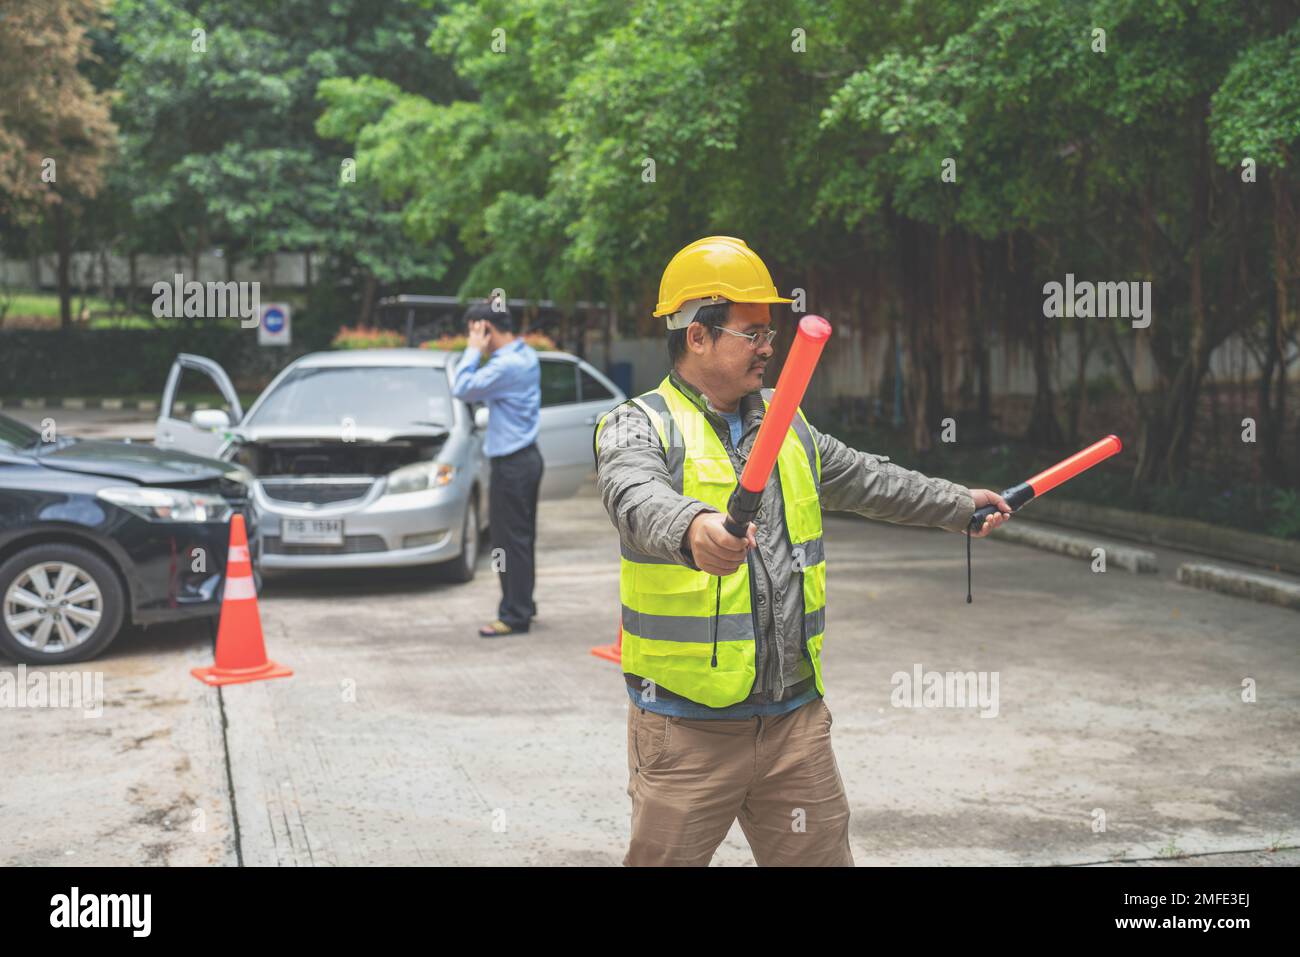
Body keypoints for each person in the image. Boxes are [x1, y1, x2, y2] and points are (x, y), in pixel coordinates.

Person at [594, 236, 1012, 866]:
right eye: (752, 333)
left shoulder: (786, 421)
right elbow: (634, 494)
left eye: (770, 333)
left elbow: (868, 478)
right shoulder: (637, 422)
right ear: (696, 335)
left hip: (795, 724)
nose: (769, 347)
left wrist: (957, 503)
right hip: (685, 730)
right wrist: (694, 528)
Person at [451, 300, 543, 637]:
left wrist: (473, 350)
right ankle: (524, 604)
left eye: (474, 332)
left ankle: (514, 615)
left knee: (507, 542)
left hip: (512, 465)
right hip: (526, 459)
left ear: (486, 329)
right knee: (521, 538)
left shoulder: (506, 366)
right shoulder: (525, 355)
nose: (472, 338)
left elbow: (462, 387)